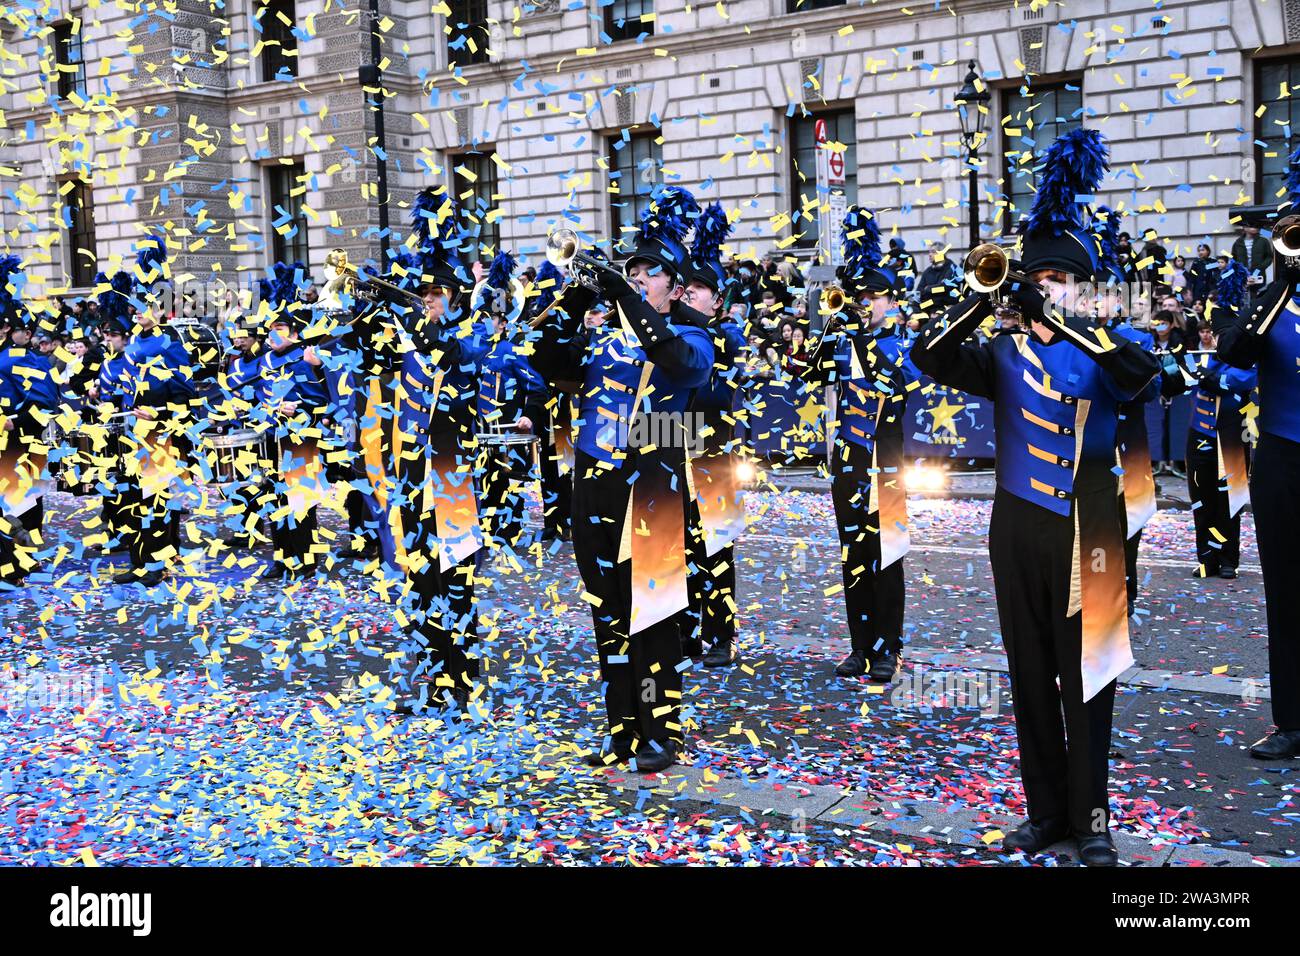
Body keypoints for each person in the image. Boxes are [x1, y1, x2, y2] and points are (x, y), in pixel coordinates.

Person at [911, 128, 1160, 865]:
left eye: (1057, 278)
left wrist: (1069, 320)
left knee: (1091, 677)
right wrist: (985, 300)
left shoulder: (1109, 340)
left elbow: (1140, 374)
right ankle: (1045, 810)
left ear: (1081, 288)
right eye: (1039, 276)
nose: (1044, 285)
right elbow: (928, 357)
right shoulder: (1002, 351)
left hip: (1093, 524)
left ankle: (1091, 817)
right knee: (1029, 672)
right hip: (1017, 524)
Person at [531, 185, 714, 773]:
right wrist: (577, 292)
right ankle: (621, 728)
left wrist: (622, 297)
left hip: (652, 487)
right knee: (606, 609)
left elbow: (668, 359)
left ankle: (661, 731)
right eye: (632, 269)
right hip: (596, 485)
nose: (637, 277)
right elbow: (546, 359)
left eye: (649, 272)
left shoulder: (691, 337)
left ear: (676, 287)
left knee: (655, 616)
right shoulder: (604, 338)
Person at [802, 206, 918, 682]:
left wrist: (860, 341)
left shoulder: (903, 343)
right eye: (860, 295)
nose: (866, 303)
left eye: (874, 296)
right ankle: (860, 646)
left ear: (890, 302)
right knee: (852, 553)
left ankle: (888, 646)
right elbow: (811, 375)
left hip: (886, 462)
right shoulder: (844, 341)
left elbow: (895, 385)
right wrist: (820, 340)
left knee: (886, 556)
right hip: (849, 458)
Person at [1214, 154, 1300, 760]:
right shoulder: (1273, 300)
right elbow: (1235, 353)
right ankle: (1294, 718)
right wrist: (1280, 287)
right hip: (1282, 456)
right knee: (1288, 588)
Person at [99, 235, 198, 587]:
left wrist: (157, 416)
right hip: (132, 434)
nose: (138, 311)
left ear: (159, 308)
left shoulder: (170, 341)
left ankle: (156, 565)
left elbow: (187, 392)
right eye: (136, 307)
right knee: (133, 501)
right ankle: (141, 562)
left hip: (158, 433)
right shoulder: (138, 341)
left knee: (156, 502)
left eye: (145, 306)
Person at [679, 201, 748, 668]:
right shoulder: (665, 335)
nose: (690, 295)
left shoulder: (724, 338)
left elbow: (717, 398)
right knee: (676, 547)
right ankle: (684, 631)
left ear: (716, 300)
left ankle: (721, 634)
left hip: (713, 452)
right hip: (671, 452)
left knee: (717, 550)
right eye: (687, 288)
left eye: (700, 290)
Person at [473, 250, 547, 562]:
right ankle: (487, 530)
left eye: (493, 319)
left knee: (509, 483)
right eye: (485, 317)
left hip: (508, 430)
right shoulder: (473, 349)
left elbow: (537, 387)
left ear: (503, 322)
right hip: (480, 430)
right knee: (483, 481)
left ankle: (508, 531)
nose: (487, 323)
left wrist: (529, 417)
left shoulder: (514, 350)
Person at [1186, 266, 1255, 580]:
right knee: (1203, 498)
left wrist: (1217, 379)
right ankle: (1206, 559)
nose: (1208, 334)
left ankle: (1228, 559)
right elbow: (1185, 380)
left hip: (1230, 432)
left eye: (1211, 328)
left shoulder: (1241, 352)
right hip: (1200, 431)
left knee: (1230, 499)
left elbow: (1247, 377)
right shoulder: (1201, 353)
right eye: (1206, 329)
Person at [0, 258, 60, 587]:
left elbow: (45, 402)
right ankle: (17, 562)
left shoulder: (24, 357)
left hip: (19, 439)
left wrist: (16, 424)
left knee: (26, 501)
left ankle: (20, 563)